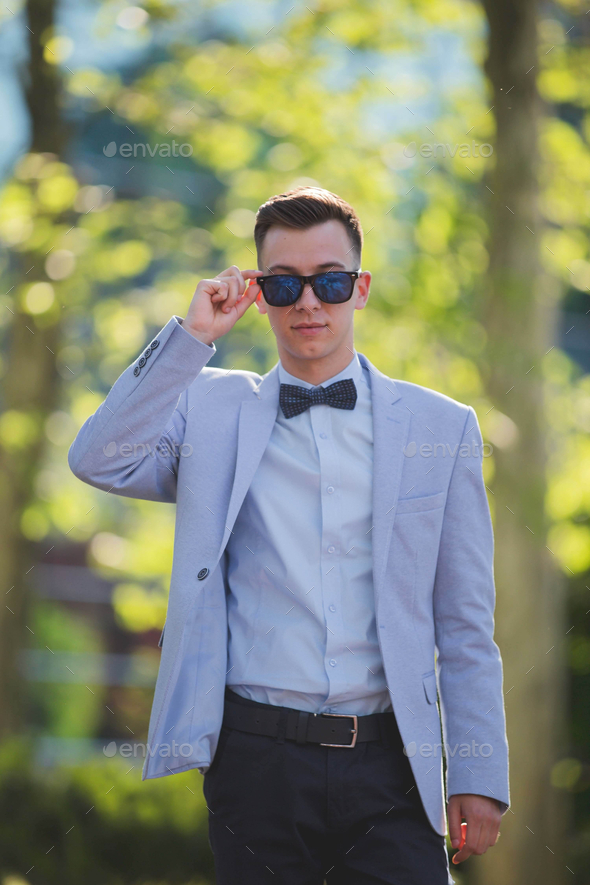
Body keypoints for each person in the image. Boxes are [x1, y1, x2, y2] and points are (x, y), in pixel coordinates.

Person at [69, 186, 509, 884]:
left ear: (359, 289)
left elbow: (463, 622)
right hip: (256, 761)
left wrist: (480, 770)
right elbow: (99, 456)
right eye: (284, 283)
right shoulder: (209, 409)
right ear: (259, 292)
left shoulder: (440, 427)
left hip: (393, 763)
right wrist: (191, 340)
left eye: (330, 281)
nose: (309, 302)